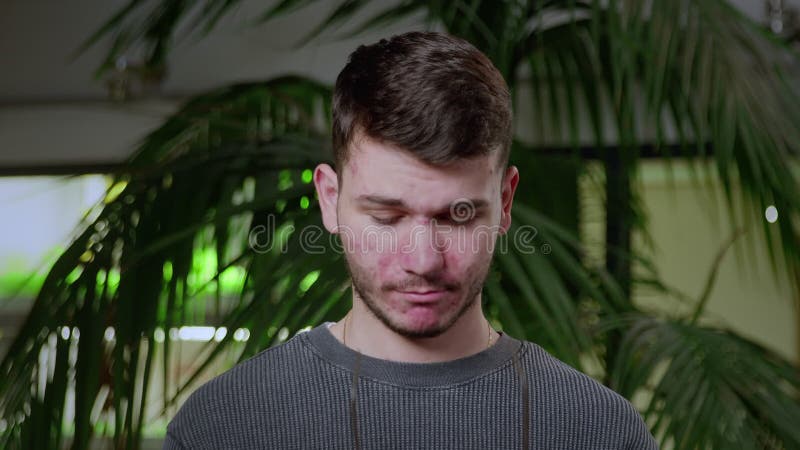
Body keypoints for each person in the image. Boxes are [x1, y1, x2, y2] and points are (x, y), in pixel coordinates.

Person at [163, 31, 658, 450]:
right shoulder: (222, 427)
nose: (422, 260)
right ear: (329, 199)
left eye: (458, 215)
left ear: (505, 202)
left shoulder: (601, 432)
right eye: (385, 215)